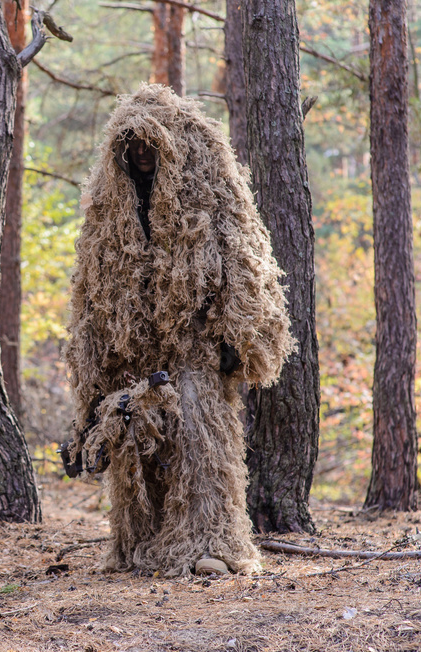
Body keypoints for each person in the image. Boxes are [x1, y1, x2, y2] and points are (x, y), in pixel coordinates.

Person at [64, 84, 295, 577]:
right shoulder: (112, 200)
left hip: (195, 343)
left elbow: (243, 255)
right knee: (135, 437)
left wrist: (238, 336)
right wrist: (95, 367)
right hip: (136, 348)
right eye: (132, 144)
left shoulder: (207, 179)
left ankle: (209, 542)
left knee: (200, 442)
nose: (142, 152)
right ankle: (138, 544)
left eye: (151, 142)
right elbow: (90, 281)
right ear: (120, 150)